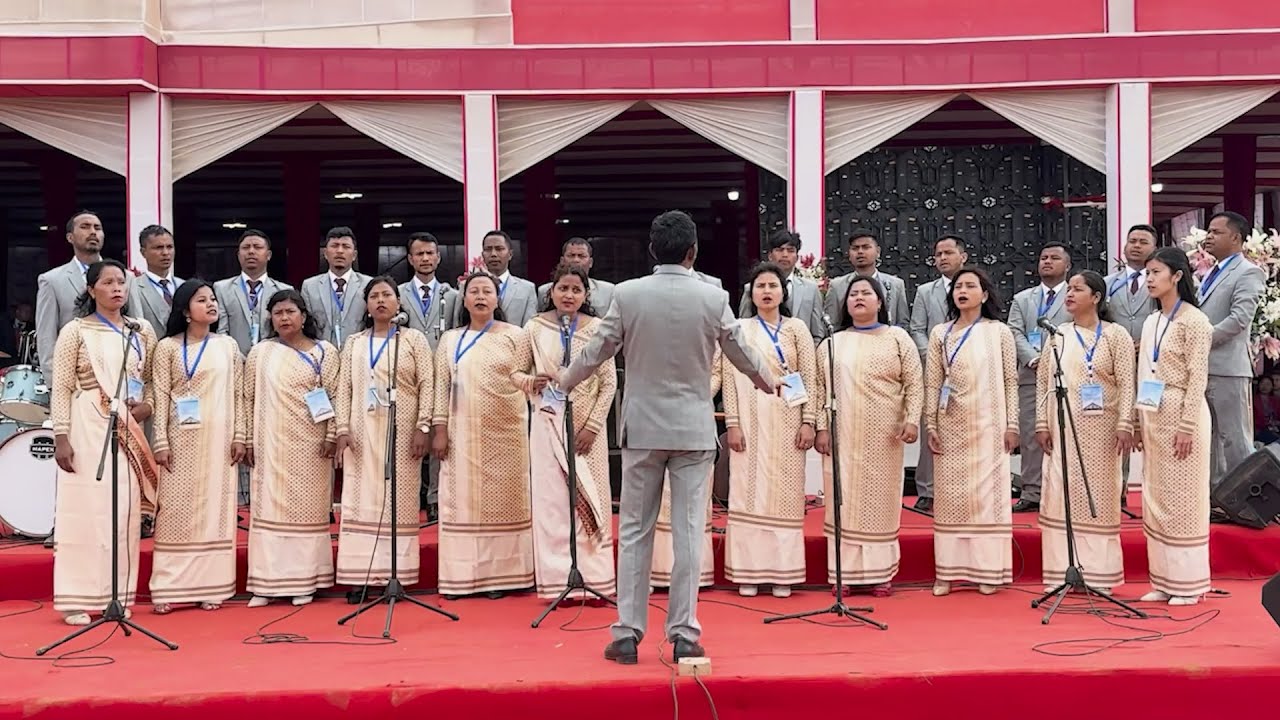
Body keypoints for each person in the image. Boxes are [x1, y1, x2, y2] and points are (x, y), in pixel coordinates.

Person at [550, 209, 779, 665]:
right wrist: (768, 380)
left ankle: (627, 633)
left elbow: (598, 350)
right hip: (693, 429)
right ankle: (684, 633)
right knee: (690, 532)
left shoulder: (630, 295)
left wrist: (564, 380)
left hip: (643, 429)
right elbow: (738, 349)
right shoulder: (713, 297)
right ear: (693, 251)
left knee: (634, 530)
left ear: (652, 250)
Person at [49, 259, 159, 625]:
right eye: (108, 282)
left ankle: (117, 594)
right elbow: (62, 386)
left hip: (127, 425)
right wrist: (61, 435)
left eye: (121, 283)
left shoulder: (140, 331)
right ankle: (76, 597)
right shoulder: (75, 331)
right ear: (90, 289)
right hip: (87, 422)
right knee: (85, 508)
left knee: (123, 509)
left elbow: (153, 381)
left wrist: (147, 407)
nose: (117, 289)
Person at [815, 275, 922, 597]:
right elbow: (821, 390)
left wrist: (912, 420)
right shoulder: (832, 343)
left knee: (880, 502)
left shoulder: (898, 338)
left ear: (880, 302)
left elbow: (914, 384)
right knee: (843, 501)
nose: (859, 298)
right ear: (845, 304)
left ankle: (879, 574)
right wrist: (821, 427)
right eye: (853, 294)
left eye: (866, 293)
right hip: (842, 435)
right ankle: (842, 574)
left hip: (884, 436)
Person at [432, 272, 536, 598]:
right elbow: (440, 386)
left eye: (487, 291)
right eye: (473, 291)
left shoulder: (516, 336)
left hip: (505, 434)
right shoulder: (450, 339)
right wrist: (438, 427)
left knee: (504, 503)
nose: (480, 296)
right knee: (459, 504)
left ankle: (502, 578)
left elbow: (529, 382)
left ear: (496, 299)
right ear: (463, 300)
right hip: (460, 434)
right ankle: (461, 578)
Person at [1033, 270, 1135, 594]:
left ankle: (1099, 576)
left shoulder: (1115, 335)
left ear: (1096, 297)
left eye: (1078, 289)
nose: (1070, 293)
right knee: (1061, 495)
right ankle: (1063, 571)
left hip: (1102, 432)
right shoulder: (1058, 334)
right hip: (1063, 429)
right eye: (1069, 289)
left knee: (1099, 498)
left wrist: (1125, 423)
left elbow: (1127, 383)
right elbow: (1043, 384)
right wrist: (1041, 423)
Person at [333, 277, 434, 602]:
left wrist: (423, 427)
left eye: (386, 295)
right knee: (360, 500)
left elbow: (427, 385)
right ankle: (359, 577)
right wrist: (342, 429)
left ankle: (397, 575)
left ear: (398, 302)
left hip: (402, 431)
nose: (380, 301)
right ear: (366, 304)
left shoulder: (413, 340)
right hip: (361, 433)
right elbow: (344, 388)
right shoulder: (354, 343)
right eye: (373, 296)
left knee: (399, 502)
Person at [148, 280, 245, 614]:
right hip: (179, 439)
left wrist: (240, 436)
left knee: (214, 511)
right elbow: (159, 397)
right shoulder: (167, 348)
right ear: (186, 311)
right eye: (202, 300)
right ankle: (167, 587)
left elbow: (238, 395)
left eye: (213, 299)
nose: (211, 304)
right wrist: (159, 440)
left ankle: (212, 586)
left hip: (220, 440)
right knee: (175, 512)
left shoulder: (228, 346)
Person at [723, 262, 818, 599]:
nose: (766, 291)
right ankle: (748, 571)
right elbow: (731, 379)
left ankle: (783, 572)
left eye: (772, 286)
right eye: (760, 285)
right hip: (749, 421)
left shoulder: (797, 330)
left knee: (785, 495)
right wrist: (732, 424)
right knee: (747, 492)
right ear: (751, 292)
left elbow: (810, 377)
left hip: (788, 421)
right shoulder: (737, 328)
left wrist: (810, 421)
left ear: (783, 292)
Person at [524, 263, 618, 602]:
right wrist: (530, 382)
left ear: (586, 295)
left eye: (576, 290)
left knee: (591, 500)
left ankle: (596, 580)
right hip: (547, 423)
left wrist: (593, 427)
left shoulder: (598, 329)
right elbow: (515, 373)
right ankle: (556, 580)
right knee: (553, 504)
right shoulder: (534, 327)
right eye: (563, 288)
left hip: (586, 432)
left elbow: (609, 382)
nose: (569, 295)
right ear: (551, 291)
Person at [923, 266, 1018, 596]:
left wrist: (1013, 424)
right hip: (950, 426)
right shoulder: (940, 333)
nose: (962, 290)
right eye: (958, 286)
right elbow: (933, 382)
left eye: (970, 286)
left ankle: (988, 571)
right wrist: (931, 423)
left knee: (985, 498)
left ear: (985, 294)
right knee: (950, 498)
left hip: (989, 427)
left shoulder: (999, 332)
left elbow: (1010, 381)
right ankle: (947, 573)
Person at [243, 290, 341, 607]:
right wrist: (245, 438)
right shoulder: (261, 352)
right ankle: (266, 584)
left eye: (290, 312)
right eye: (278, 313)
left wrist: (331, 435)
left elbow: (335, 395)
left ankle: (304, 581)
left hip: (311, 448)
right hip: (269, 444)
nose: (284, 318)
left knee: (306, 512)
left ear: (303, 315)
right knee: (267, 510)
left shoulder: (324, 352)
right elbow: (247, 398)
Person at [1135, 247, 1213, 606]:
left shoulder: (1195, 321)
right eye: (1147, 272)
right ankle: (1164, 578)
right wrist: (1138, 419)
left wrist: (1186, 425)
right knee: (1156, 498)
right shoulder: (1152, 321)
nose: (1149, 278)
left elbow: (1198, 377)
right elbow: (1143, 373)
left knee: (1185, 500)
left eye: (1156, 272)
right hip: (1153, 414)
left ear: (1177, 276)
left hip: (1184, 412)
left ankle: (1190, 583)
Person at [1197, 211, 1266, 487]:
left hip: (1228, 368)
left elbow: (1239, 319)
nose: (1209, 237)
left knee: (1234, 438)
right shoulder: (1211, 271)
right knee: (1210, 437)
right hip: (1205, 366)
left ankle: (1251, 498)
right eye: (1208, 231)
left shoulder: (1249, 272)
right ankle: (1218, 498)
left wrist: (1199, 340)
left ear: (1236, 237)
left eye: (1216, 232)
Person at [1008, 242, 1072, 513]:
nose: (1047, 262)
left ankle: (1065, 490)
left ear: (1067, 266)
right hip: (1031, 374)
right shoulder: (1023, 298)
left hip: (1066, 373)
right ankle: (1032, 490)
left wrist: (1056, 358)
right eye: (1043, 257)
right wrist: (1033, 358)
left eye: (1054, 258)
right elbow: (1014, 331)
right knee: (1033, 433)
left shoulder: (1076, 294)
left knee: (1065, 431)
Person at [908, 235, 970, 512]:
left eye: (948, 253)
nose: (942, 258)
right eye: (938, 254)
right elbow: (917, 329)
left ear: (963, 256)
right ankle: (927, 491)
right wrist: (932, 356)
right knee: (930, 428)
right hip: (933, 371)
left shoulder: (974, 286)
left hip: (968, 370)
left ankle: (962, 488)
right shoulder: (925, 291)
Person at [37, 211, 104, 377]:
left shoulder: (125, 277)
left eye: (98, 227)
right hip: (74, 377)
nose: (93, 232)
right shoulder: (52, 280)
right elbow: (47, 338)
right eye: (85, 227)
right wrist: (55, 384)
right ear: (70, 237)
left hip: (119, 377)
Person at [736, 230, 826, 340]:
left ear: (797, 257)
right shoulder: (752, 288)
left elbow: (818, 334)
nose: (785, 255)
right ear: (770, 256)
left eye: (790, 250)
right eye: (779, 250)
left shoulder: (811, 289)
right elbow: (743, 329)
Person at [214, 229, 292, 356]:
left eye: (257, 247)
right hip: (234, 361)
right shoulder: (221, 288)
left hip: (273, 361)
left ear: (269, 255)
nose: (251, 251)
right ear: (238, 255)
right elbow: (221, 331)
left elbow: (287, 332)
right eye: (246, 247)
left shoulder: (284, 290)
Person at [301, 226, 372, 349]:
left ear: (354, 255)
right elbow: (305, 326)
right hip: (320, 356)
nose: (340, 251)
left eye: (346, 246)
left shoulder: (369, 284)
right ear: (325, 253)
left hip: (359, 355)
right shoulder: (309, 286)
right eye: (334, 246)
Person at [823, 231, 910, 328]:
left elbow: (903, 323)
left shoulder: (895, 285)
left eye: (866, 247)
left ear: (878, 252)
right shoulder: (837, 286)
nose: (860, 252)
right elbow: (830, 324)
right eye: (855, 248)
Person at [454, 230, 537, 327]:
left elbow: (530, 329)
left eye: (499, 249)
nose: (493, 254)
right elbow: (458, 323)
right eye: (488, 249)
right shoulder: (466, 286)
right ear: (482, 254)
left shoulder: (526, 289)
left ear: (510, 254)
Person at [536, 238, 616, 318]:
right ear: (562, 260)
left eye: (581, 256)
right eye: (571, 255)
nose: (576, 260)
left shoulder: (608, 291)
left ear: (590, 262)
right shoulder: (544, 290)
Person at [127, 225, 183, 337]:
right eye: (158, 248)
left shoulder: (184, 285)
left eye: (170, 247)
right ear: (143, 252)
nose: (166, 253)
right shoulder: (133, 287)